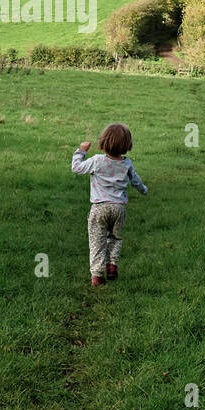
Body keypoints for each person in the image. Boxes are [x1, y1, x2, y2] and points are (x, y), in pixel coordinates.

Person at [71, 122, 148, 287]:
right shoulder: (127, 164)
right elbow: (136, 182)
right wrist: (144, 190)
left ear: (103, 142)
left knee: (96, 241)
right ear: (127, 145)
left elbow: (76, 168)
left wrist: (81, 151)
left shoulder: (98, 161)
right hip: (119, 208)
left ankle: (97, 276)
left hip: (99, 208)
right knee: (115, 238)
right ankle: (112, 265)